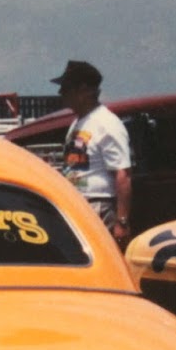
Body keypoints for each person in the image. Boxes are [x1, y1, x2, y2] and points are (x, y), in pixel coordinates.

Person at [51, 60, 132, 245]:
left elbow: (123, 174)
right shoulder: (78, 122)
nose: (61, 93)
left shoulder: (107, 123)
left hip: (99, 204)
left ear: (84, 90)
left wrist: (122, 221)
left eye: (66, 88)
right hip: (79, 203)